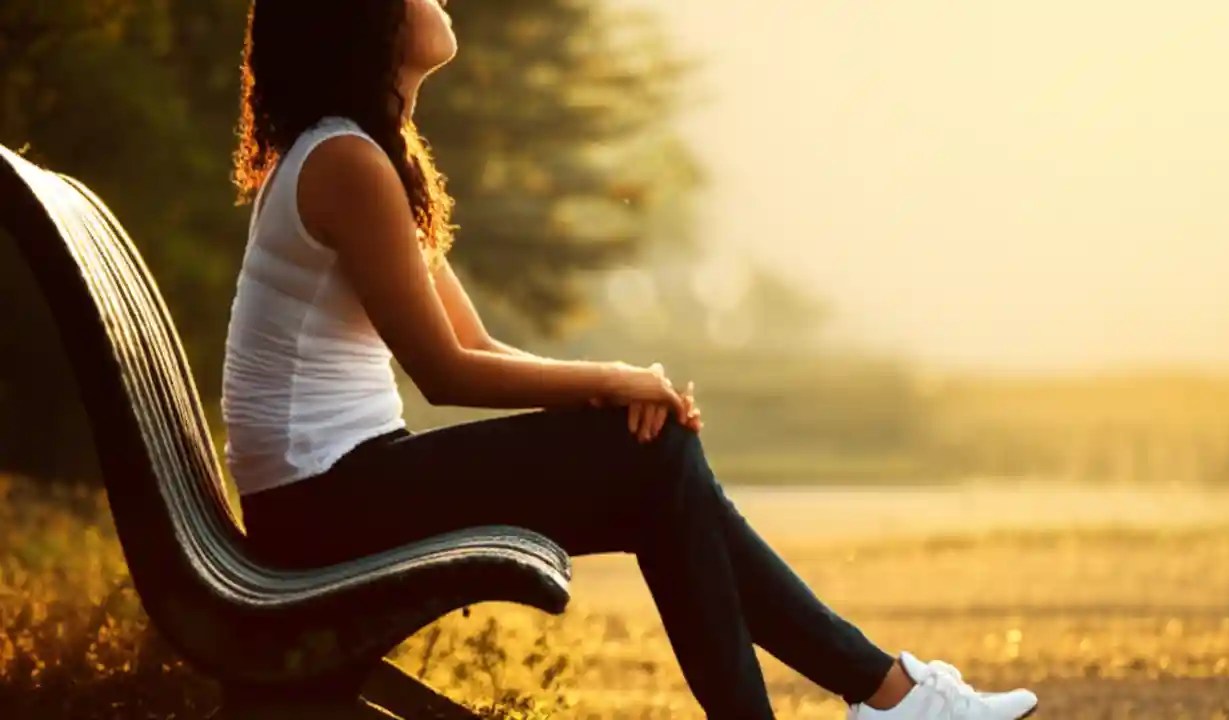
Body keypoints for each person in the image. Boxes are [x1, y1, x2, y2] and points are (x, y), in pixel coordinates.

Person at [220, 1, 1040, 718]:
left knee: (656, 469)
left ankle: (889, 692)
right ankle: (891, 694)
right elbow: (445, 372)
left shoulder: (367, 154)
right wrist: (618, 384)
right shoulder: (347, 164)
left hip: (333, 492)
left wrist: (614, 393)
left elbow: (476, 344)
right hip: (324, 506)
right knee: (653, 454)